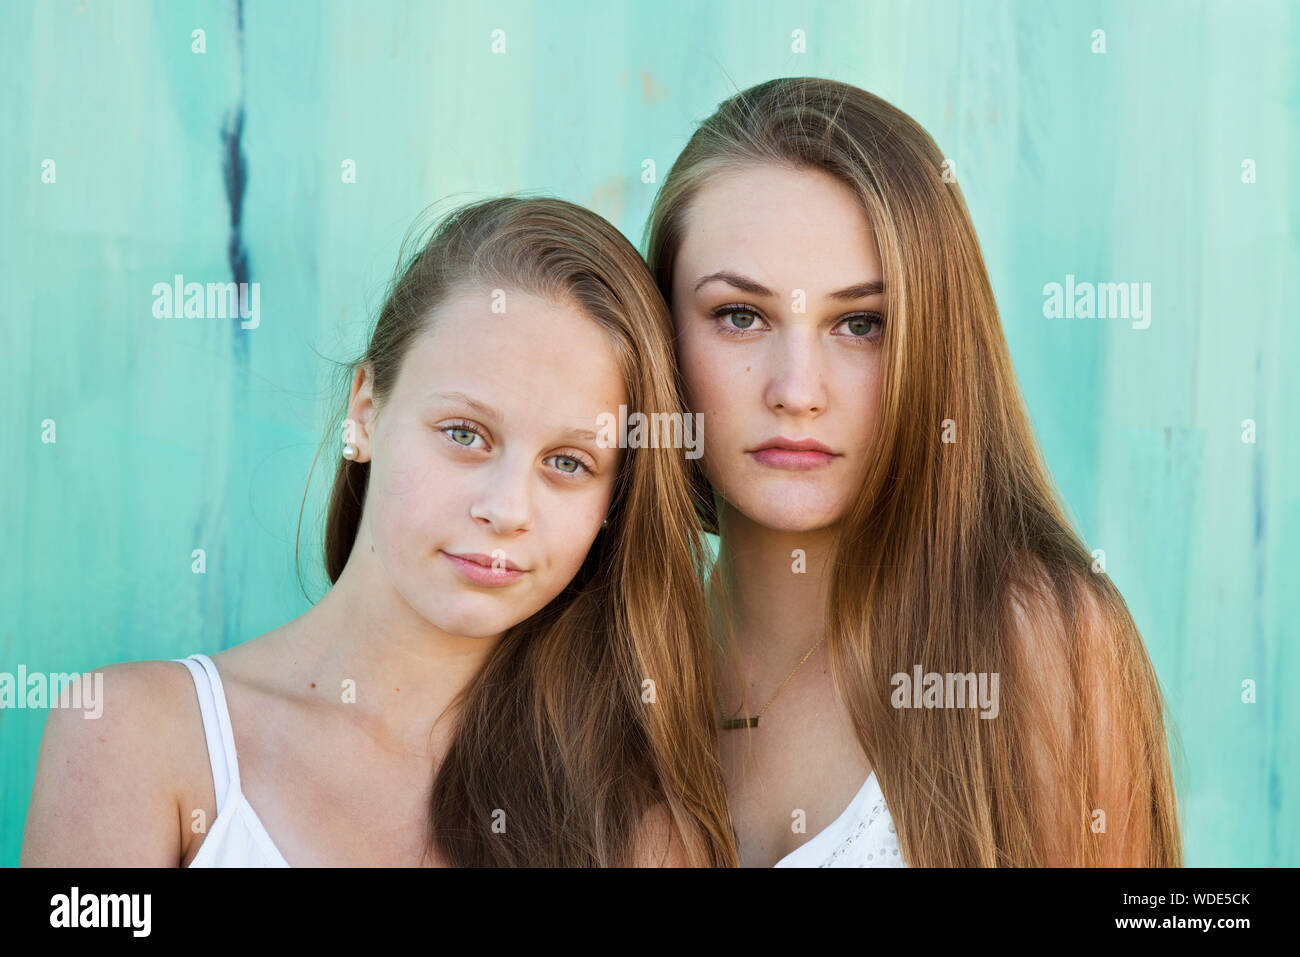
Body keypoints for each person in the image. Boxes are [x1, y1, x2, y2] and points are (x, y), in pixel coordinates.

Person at [22, 196, 737, 867]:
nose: (507, 507)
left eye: (569, 461)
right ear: (365, 409)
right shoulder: (135, 739)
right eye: (466, 433)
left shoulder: (638, 825)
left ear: (612, 500)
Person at [644, 77, 1183, 867]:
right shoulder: (610, 662)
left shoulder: (1032, 645)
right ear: (659, 334)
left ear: (932, 343)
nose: (796, 389)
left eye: (860, 324)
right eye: (740, 316)